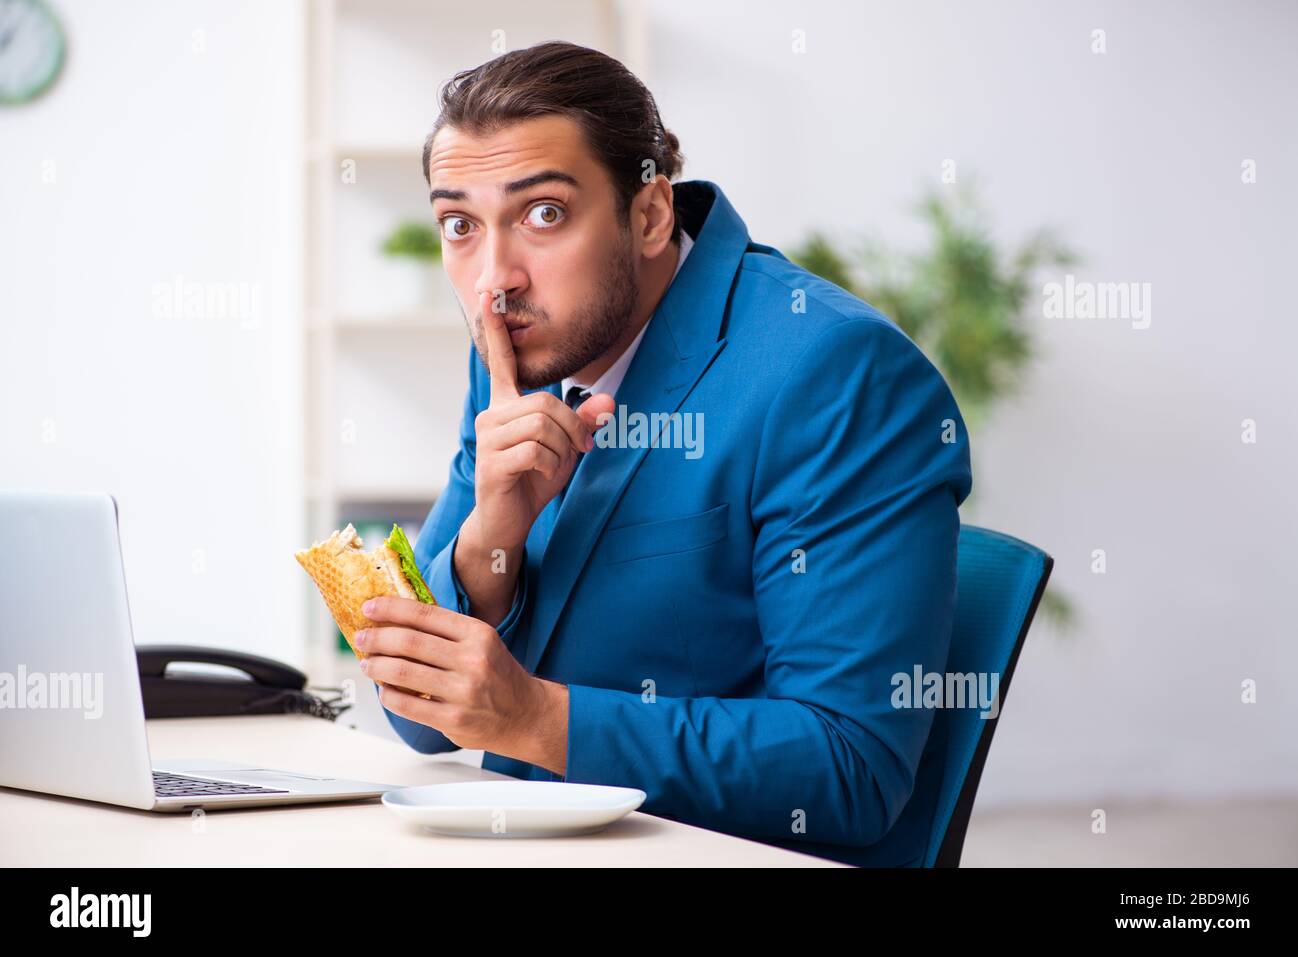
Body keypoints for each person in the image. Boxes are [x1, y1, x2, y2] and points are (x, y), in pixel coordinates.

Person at [356, 40, 972, 867]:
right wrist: (489, 536)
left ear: (648, 215)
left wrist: (534, 718)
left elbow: (851, 766)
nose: (492, 279)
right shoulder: (509, 349)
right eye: (460, 225)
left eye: (543, 214)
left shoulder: (836, 372)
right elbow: (420, 719)